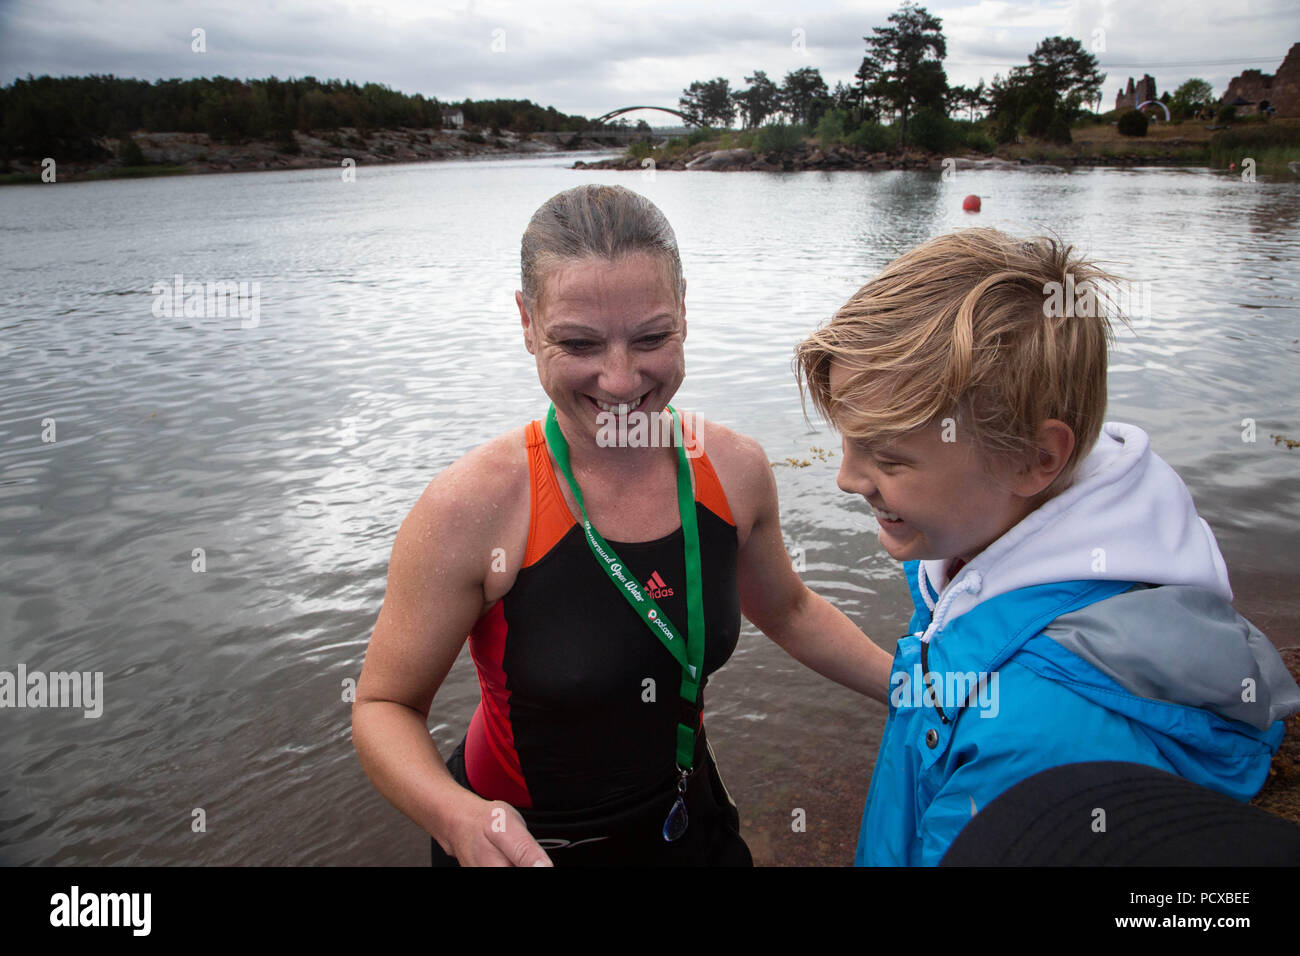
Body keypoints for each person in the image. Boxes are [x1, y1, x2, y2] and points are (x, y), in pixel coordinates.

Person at [352, 183, 893, 866]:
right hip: (524, 845)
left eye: (651, 337)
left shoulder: (733, 470)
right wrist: (456, 817)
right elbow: (383, 707)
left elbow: (788, 610)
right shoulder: (472, 508)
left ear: (685, 313)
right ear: (526, 321)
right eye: (578, 342)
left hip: (687, 819)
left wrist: (917, 691)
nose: (618, 379)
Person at [794, 228, 1300, 867]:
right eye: (848, 443)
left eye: (889, 458)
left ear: (1037, 457)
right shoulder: (986, 545)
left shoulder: (1036, 735)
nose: (847, 479)